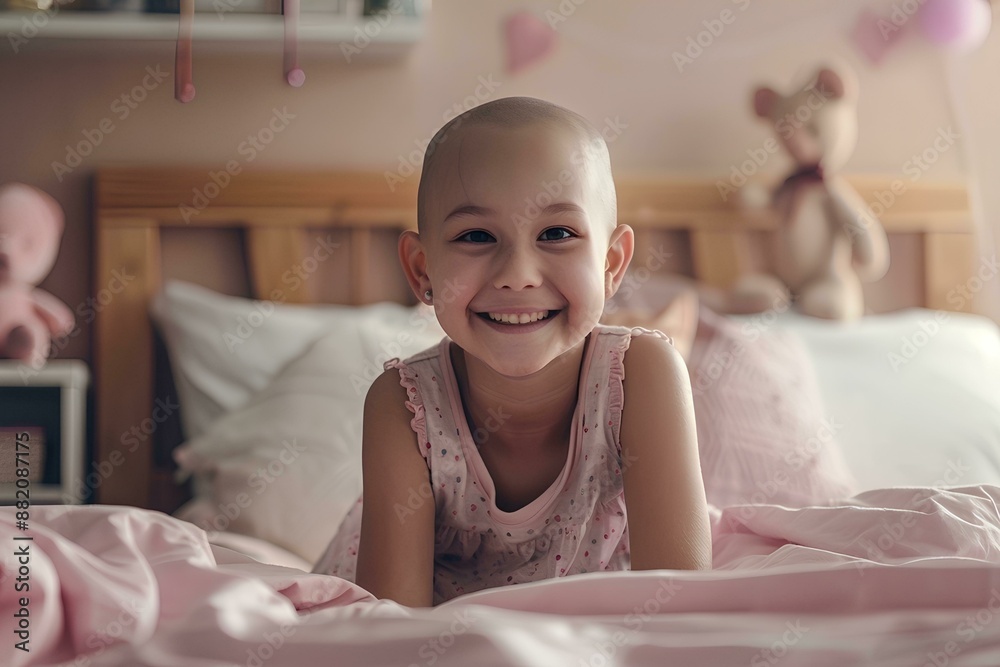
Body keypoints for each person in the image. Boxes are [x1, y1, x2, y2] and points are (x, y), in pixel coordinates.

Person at [313, 96, 711, 606]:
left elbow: (678, 606)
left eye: (557, 233)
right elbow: (396, 629)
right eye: (477, 236)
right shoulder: (403, 406)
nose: (517, 275)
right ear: (422, 270)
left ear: (611, 265)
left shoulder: (641, 376)